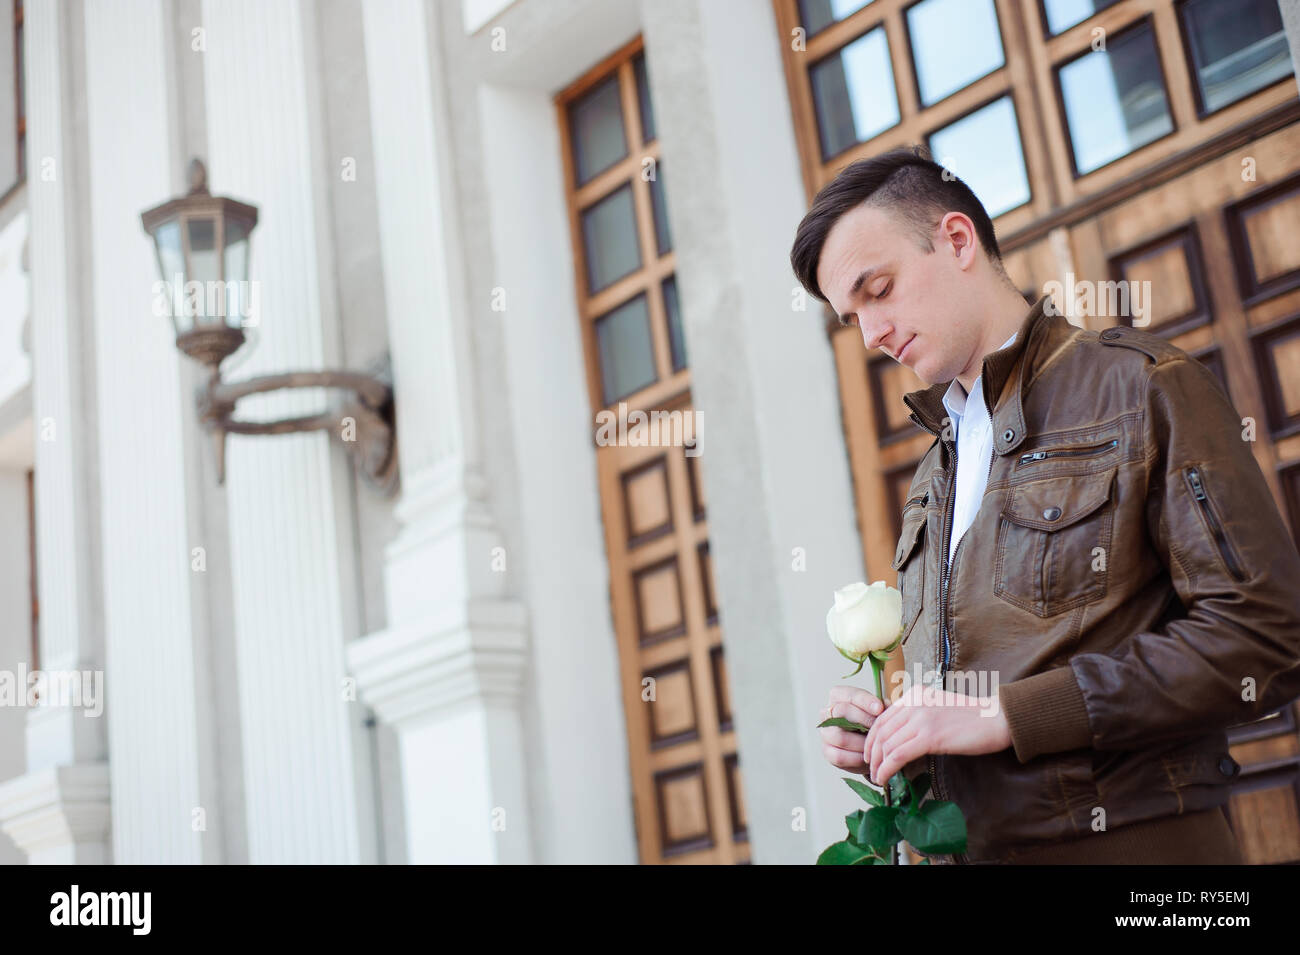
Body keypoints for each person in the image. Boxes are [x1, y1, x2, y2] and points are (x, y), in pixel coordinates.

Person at [794, 145, 1300, 864]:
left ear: (958, 239)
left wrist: (1009, 715)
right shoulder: (932, 475)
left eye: (878, 288)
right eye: (852, 318)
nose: (871, 333)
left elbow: (1268, 636)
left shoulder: (1143, 386)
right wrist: (894, 732)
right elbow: (984, 683)